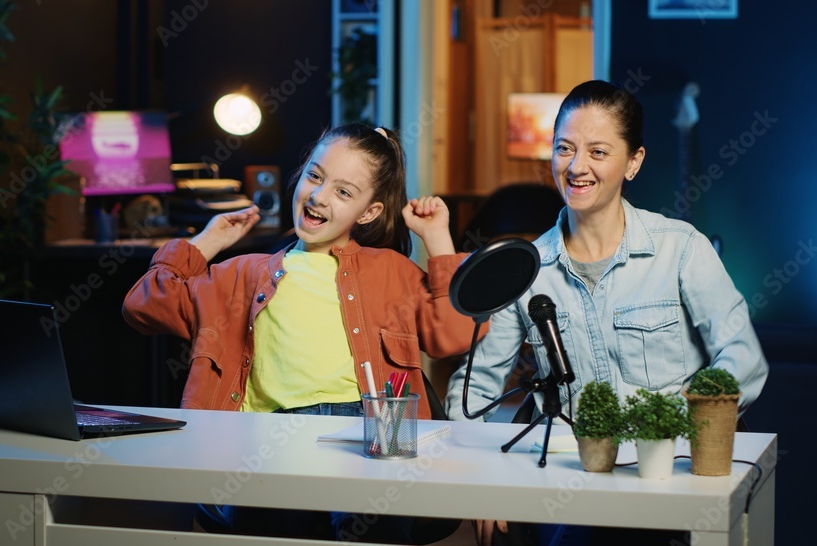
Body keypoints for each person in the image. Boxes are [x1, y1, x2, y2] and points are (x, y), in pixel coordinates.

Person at [445, 80, 768, 546]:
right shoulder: (525, 269)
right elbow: (474, 390)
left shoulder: (681, 250)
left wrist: (670, 425)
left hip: (670, 481)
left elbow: (744, 361)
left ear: (633, 162)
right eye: (565, 148)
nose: (577, 167)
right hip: (571, 483)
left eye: (598, 151)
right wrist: (482, 481)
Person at [123, 123, 479, 543]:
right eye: (314, 175)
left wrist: (439, 238)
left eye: (344, 192)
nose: (319, 196)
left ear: (368, 212)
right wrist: (205, 243)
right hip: (267, 440)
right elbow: (144, 304)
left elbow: (456, 333)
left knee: (377, 525)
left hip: (370, 433)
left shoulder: (391, 271)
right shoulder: (240, 274)